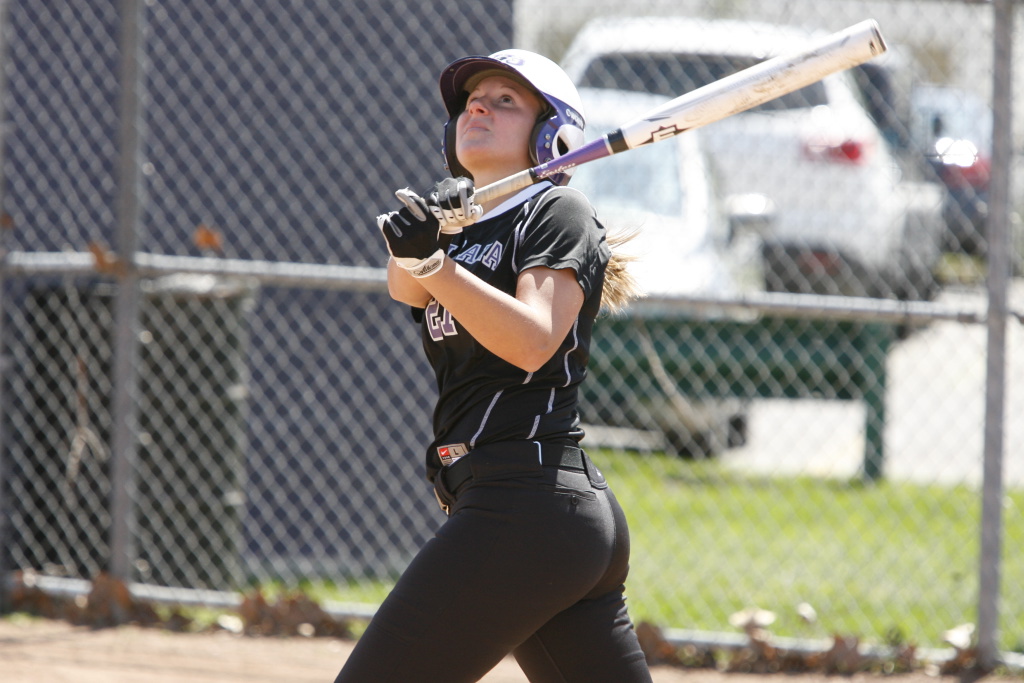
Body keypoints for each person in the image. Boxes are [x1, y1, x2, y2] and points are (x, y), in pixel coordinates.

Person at [334, 49, 652, 683]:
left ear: (548, 133)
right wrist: (436, 235)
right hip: (528, 515)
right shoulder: (462, 226)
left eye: (506, 100)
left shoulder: (557, 213)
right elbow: (407, 287)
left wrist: (436, 260)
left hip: (528, 506)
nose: (477, 106)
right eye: (472, 100)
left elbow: (533, 339)